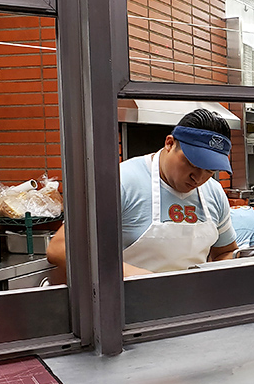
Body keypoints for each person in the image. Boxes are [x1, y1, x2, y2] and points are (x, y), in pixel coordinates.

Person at [46, 109, 238, 279]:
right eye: (192, 163)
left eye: (210, 170)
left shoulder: (214, 193)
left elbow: (225, 251)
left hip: (189, 306)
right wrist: (136, 278)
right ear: (170, 143)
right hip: (124, 307)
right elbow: (60, 249)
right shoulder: (121, 182)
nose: (198, 177)